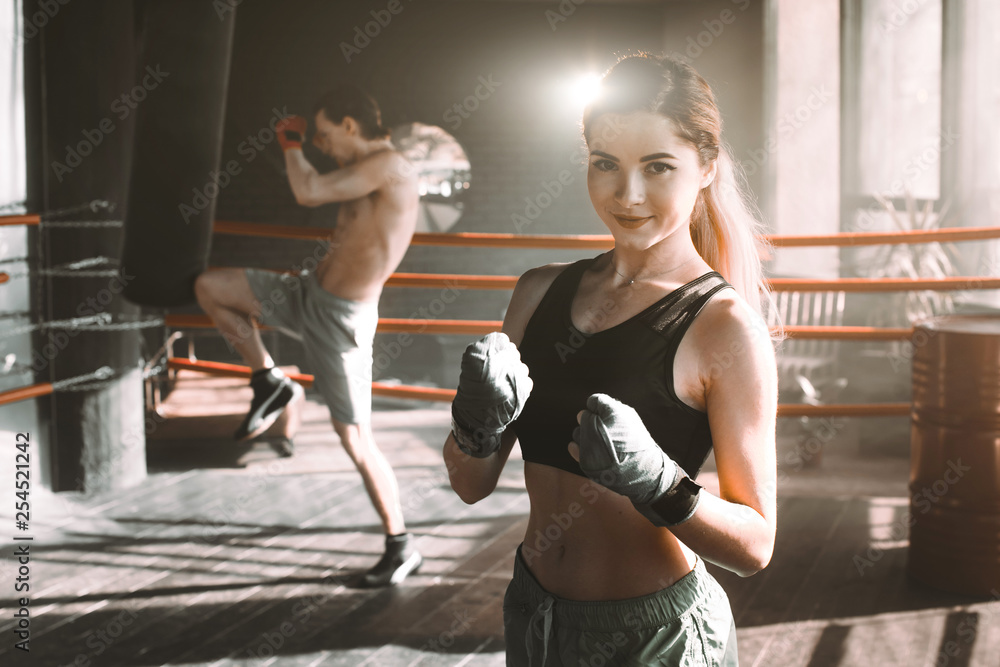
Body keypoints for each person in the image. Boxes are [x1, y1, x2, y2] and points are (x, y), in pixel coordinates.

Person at [443, 54, 778, 665]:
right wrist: (475, 425)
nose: (628, 194)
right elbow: (471, 485)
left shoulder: (722, 327)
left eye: (658, 167)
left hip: (656, 637)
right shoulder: (538, 292)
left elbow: (756, 546)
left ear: (705, 169)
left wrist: (659, 482)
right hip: (534, 613)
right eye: (606, 164)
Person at [195, 83, 422, 587]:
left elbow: (308, 191)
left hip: (341, 321)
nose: (322, 145)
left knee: (356, 439)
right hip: (306, 296)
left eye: (325, 134)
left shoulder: (391, 166)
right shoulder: (367, 171)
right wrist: (295, 147)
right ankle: (270, 379)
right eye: (313, 138)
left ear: (349, 125)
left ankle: (401, 545)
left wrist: (291, 144)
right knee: (212, 287)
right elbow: (316, 188)